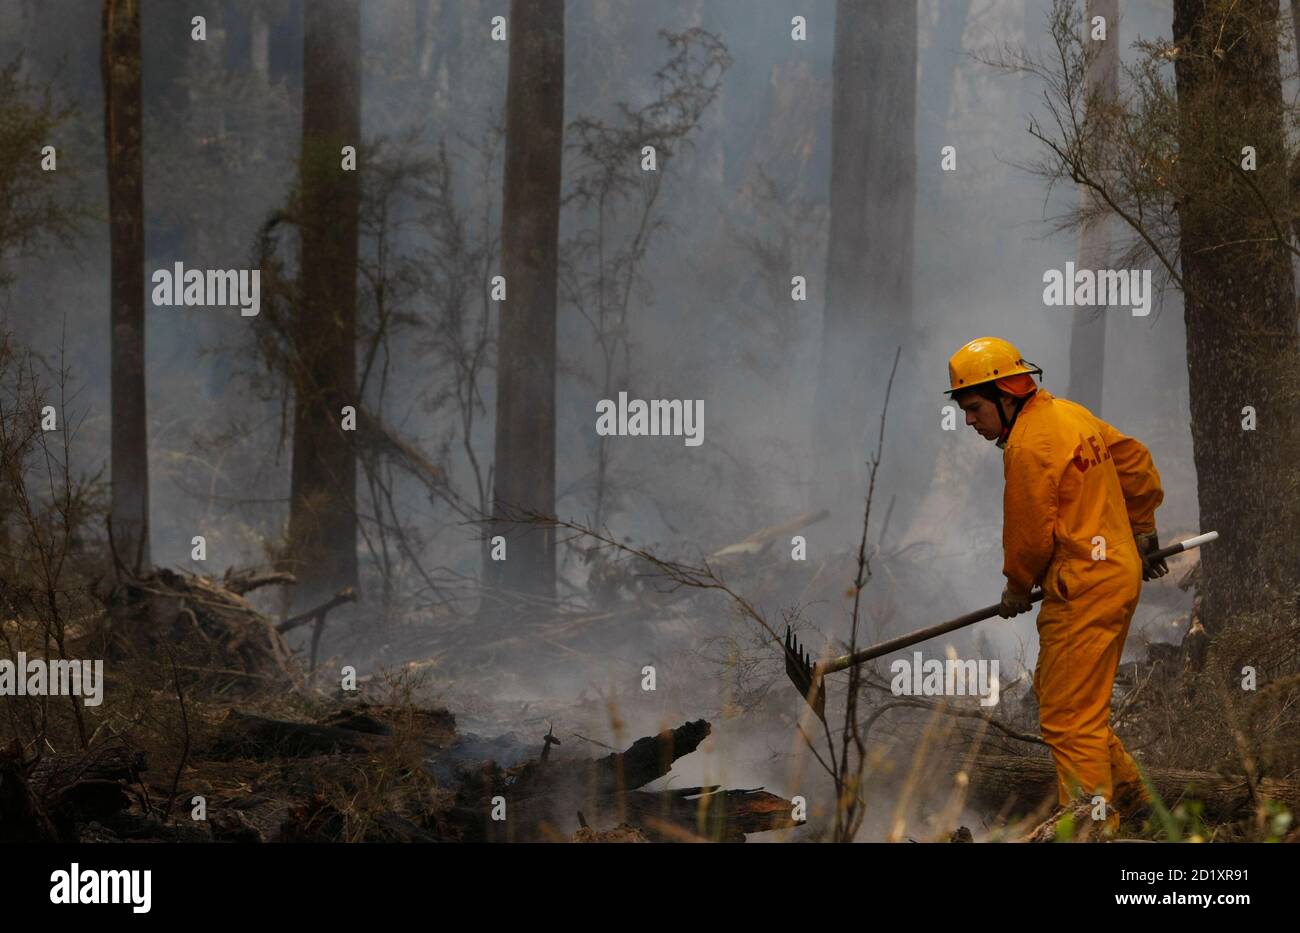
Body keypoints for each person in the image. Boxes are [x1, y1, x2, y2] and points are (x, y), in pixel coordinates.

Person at [946, 336, 1168, 831]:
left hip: (1084, 588)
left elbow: (1028, 533)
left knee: (1069, 720)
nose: (969, 420)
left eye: (975, 408)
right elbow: (1135, 462)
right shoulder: (1070, 416)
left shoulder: (1028, 445)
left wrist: (1017, 587)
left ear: (1007, 393)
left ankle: (1092, 830)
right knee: (1065, 697)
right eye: (964, 410)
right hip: (1114, 575)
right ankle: (1136, 805)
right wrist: (1143, 525)